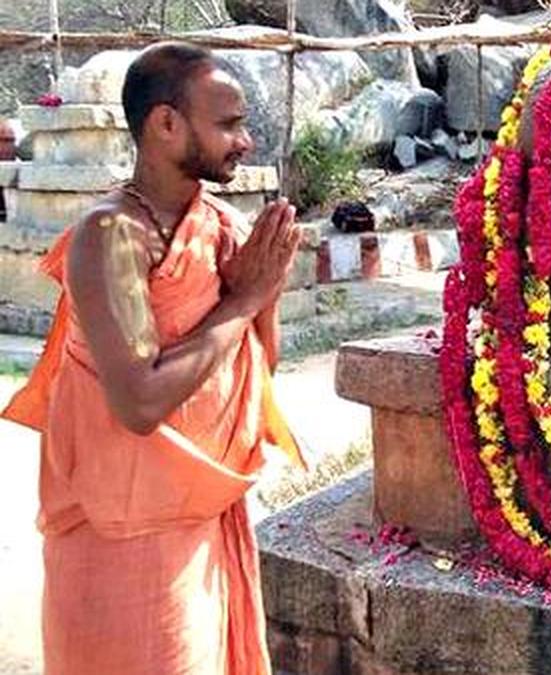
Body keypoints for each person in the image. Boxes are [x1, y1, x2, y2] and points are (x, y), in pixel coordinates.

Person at [0, 42, 305, 674]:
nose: (245, 141)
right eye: (228, 124)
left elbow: (253, 378)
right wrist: (244, 300)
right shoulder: (110, 236)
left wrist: (263, 294)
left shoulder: (221, 226)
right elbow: (139, 402)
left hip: (201, 523)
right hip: (120, 543)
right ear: (166, 124)